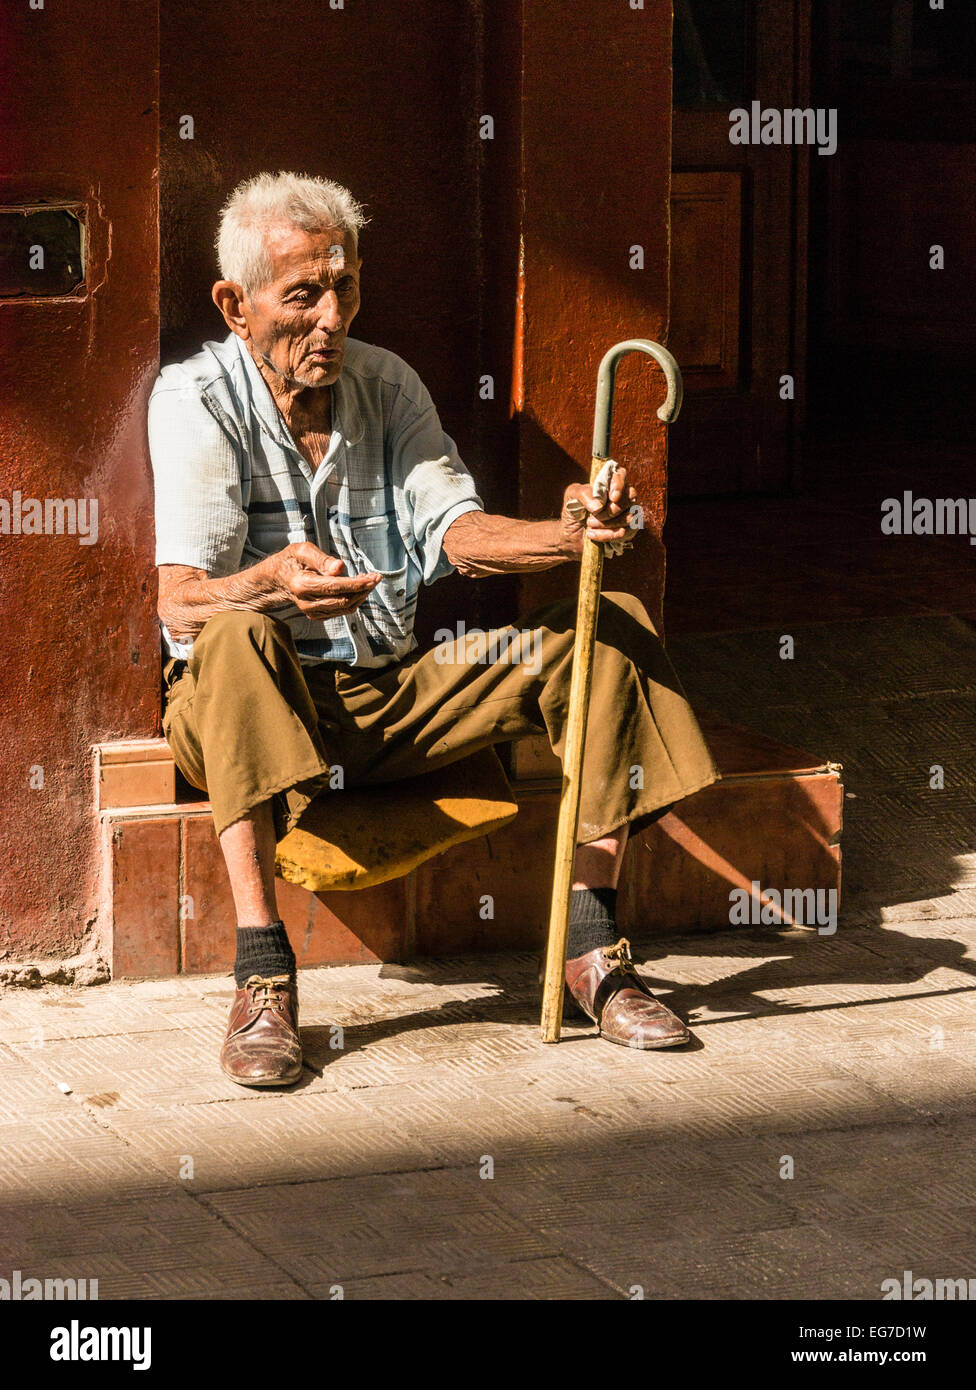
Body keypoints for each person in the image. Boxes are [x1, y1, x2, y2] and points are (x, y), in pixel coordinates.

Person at [148, 172, 719, 1087]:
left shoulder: (388, 383)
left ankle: (592, 948)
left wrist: (566, 535)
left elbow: (457, 534)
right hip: (261, 708)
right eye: (303, 296)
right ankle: (263, 976)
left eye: (347, 289)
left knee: (606, 628)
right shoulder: (194, 400)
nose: (332, 317)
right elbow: (180, 602)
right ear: (236, 304)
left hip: (394, 691)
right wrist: (271, 586)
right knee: (232, 636)